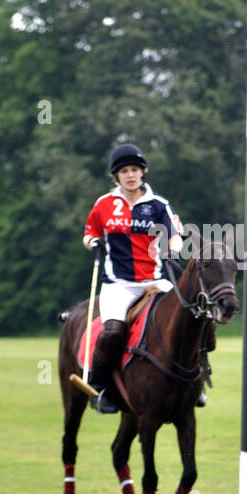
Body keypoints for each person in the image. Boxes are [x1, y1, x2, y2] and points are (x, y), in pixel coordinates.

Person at [82, 144, 183, 413]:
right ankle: (101, 388)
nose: (130, 175)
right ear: (116, 176)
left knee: (189, 316)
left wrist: (173, 250)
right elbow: (89, 232)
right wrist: (93, 243)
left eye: (135, 169)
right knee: (113, 332)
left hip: (154, 282)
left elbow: (175, 235)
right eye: (124, 171)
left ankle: (194, 382)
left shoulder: (158, 205)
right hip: (119, 285)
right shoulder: (104, 204)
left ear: (143, 172)